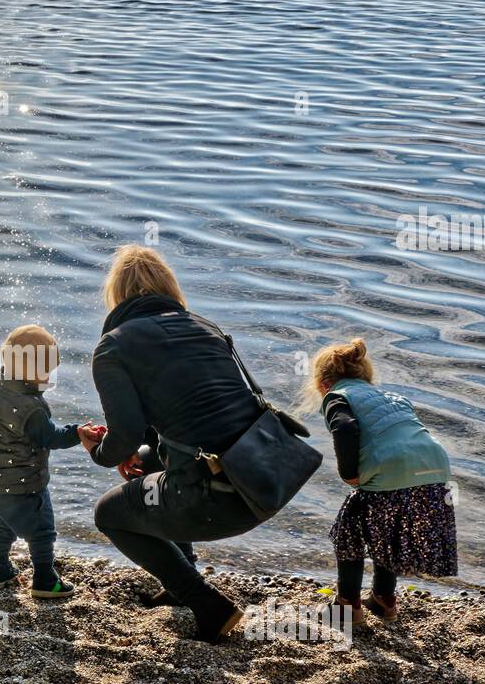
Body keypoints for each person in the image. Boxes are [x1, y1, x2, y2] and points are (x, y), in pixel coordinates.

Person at [83, 245, 267, 642]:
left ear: (116, 296)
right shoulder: (208, 330)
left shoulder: (113, 346)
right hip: (264, 484)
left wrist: (101, 451)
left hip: (216, 503)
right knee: (151, 460)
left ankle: (207, 605)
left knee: (107, 514)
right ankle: (182, 574)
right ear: (169, 288)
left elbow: (124, 436)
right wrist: (134, 447)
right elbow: (169, 425)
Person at [302, 337, 457, 622]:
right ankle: (384, 600)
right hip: (435, 469)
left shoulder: (337, 396)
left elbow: (345, 428)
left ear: (323, 383)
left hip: (391, 469)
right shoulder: (393, 397)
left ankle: (347, 606)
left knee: (348, 532)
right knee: (391, 535)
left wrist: (348, 473)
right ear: (364, 374)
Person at [0, 325, 101, 599]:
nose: (50, 378)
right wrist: (77, 432)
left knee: (0, 527)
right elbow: (50, 438)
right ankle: (45, 580)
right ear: (34, 371)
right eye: (47, 371)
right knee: (42, 532)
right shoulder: (31, 407)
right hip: (24, 487)